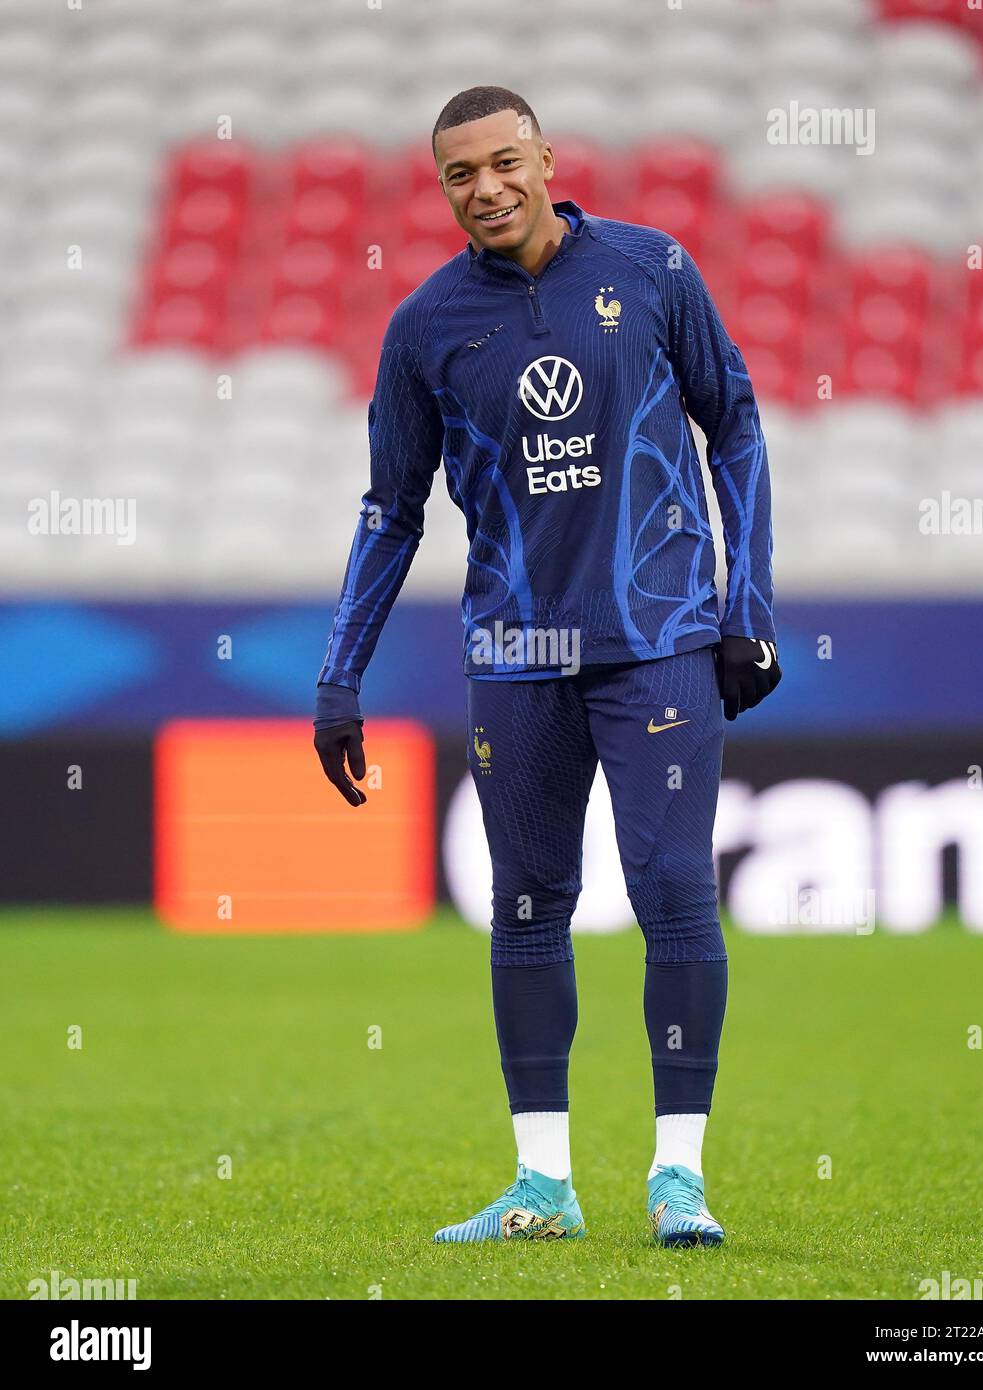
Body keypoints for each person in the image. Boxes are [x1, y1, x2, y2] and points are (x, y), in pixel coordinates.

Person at [314, 86, 781, 1247]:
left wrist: (747, 606)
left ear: (546, 158)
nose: (486, 188)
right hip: (518, 650)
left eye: (503, 161)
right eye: (460, 174)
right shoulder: (425, 326)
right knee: (527, 907)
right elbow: (391, 510)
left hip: (659, 636)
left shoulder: (652, 267)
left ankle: (679, 1178)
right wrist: (339, 677)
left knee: (674, 890)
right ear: (443, 190)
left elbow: (737, 425)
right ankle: (542, 1187)